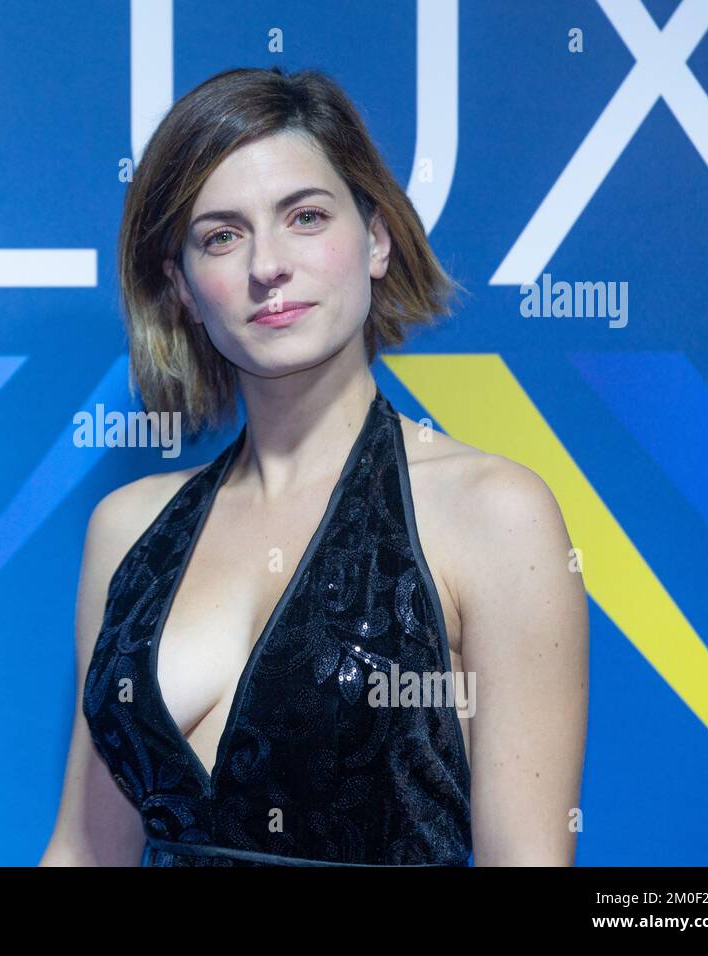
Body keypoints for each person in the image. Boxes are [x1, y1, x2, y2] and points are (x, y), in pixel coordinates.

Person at [41, 66, 588, 866]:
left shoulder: (494, 513)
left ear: (375, 237)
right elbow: (85, 852)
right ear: (183, 286)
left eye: (304, 216)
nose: (268, 265)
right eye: (221, 235)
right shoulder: (127, 529)